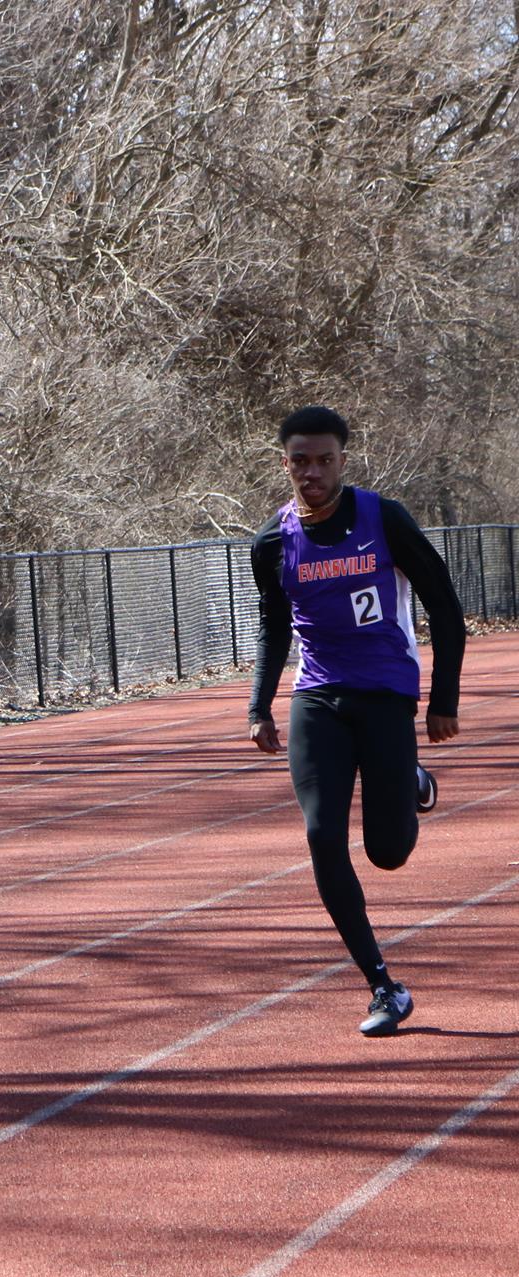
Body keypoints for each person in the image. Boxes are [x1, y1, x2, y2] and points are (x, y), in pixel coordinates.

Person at [247, 405, 464, 1037]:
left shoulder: (383, 517)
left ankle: (411, 778)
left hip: (386, 691)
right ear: (283, 464)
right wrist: (259, 703)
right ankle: (382, 984)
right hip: (318, 695)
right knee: (322, 837)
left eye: (323, 461)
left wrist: (442, 699)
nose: (311, 473)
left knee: (387, 852)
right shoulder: (273, 542)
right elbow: (273, 626)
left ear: (344, 459)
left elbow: (445, 606)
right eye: (299, 462)